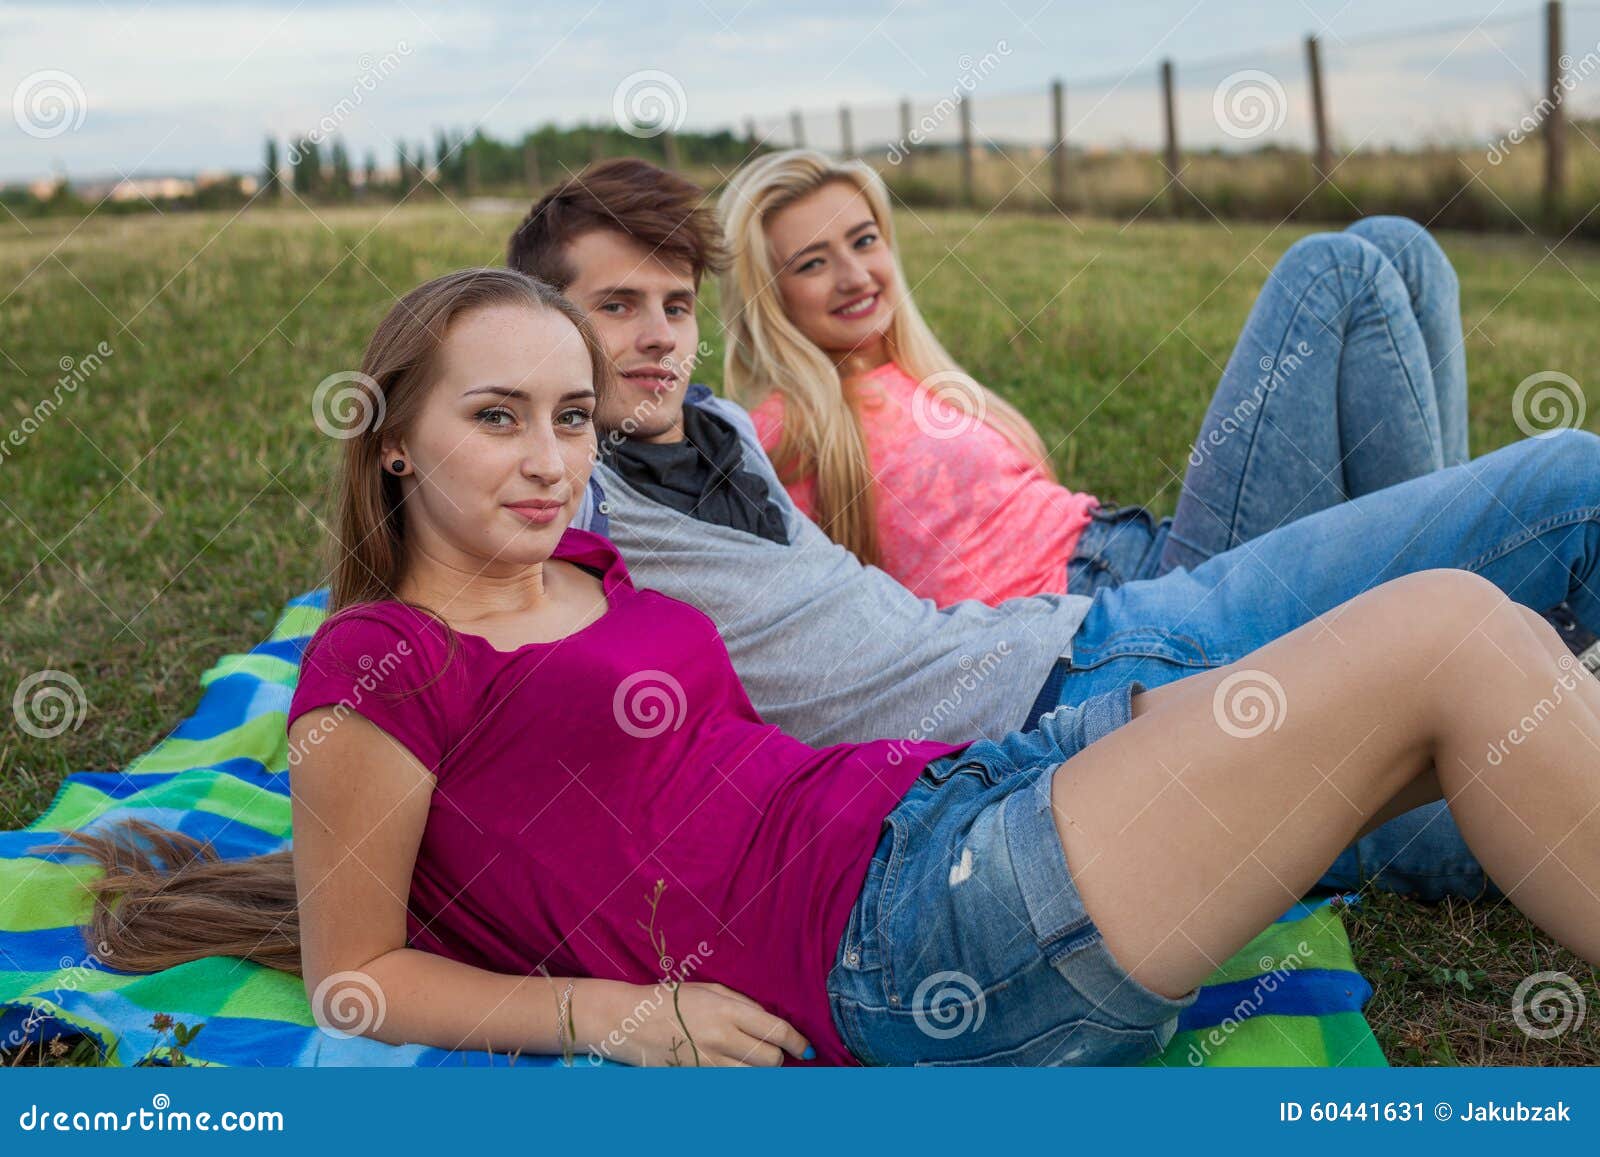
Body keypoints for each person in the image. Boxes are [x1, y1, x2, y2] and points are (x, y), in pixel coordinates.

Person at [64, 268, 1600, 1067]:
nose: (549, 461)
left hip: (965, 802)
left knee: (1474, 691)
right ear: (392, 442)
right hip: (908, 939)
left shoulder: (598, 568)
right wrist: (617, 1018)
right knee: (1450, 632)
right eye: (495, 417)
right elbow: (354, 977)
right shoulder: (374, 658)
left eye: (571, 418)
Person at [508, 158, 1600, 903]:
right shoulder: (603, 487)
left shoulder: (722, 426)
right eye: (615, 308)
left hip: (1093, 619)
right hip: (1080, 675)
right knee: (1561, 495)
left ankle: (1498, 637)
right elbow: (468, 524)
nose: (655, 337)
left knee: (1400, 253)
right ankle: (1502, 632)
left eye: (673, 304)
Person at [721, 148, 1480, 607]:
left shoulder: (911, 376)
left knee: (1399, 245)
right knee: (1333, 270)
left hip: (1145, 548)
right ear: (768, 290)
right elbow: (734, 590)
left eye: (863, 242)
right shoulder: (785, 428)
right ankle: (1473, 595)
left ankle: (1462, 590)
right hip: (1130, 611)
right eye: (813, 262)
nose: (854, 274)